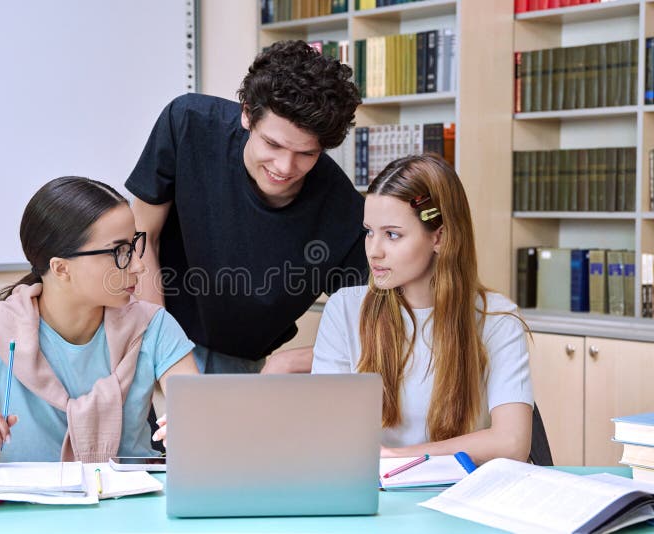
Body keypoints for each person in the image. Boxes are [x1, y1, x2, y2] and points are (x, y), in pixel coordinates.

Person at [0, 177, 198, 469]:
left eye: (135, 245)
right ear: (60, 268)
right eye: (121, 252)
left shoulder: (153, 326)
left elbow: (204, 416)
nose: (139, 266)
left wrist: (196, 431)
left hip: (133, 512)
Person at [126, 40, 368, 374]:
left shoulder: (343, 210)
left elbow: (376, 321)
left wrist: (289, 361)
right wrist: (161, 350)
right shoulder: (189, 124)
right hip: (149, 328)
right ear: (246, 114)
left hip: (239, 360)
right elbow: (142, 237)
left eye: (306, 154)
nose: (284, 166)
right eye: (272, 144)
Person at [312, 154, 533, 465]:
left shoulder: (497, 319)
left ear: (439, 236)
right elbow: (325, 434)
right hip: (376, 497)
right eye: (369, 232)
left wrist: (397, 457)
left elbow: (512, 443)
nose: (374, 251)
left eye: (392, 234)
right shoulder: (345, 309)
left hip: (462, 496)